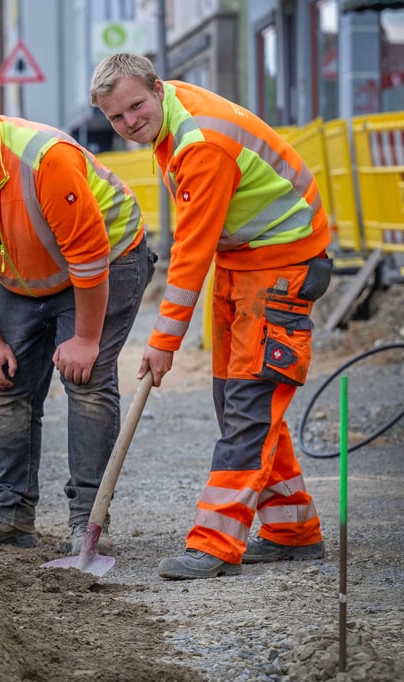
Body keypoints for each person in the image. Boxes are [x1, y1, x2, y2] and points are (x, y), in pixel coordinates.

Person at [90, 53, 331, 580]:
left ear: (156, 88)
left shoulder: (200, 143)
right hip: (245, 259)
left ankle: (215, 544)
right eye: (117, 118)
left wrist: (164, 342)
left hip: (282, 264)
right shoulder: (168, 122)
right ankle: (292, 531)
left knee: (248, 401)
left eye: (135, 106)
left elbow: (190, 256)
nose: (130, 122)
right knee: (240, 397)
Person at [0, 79, 155, 554]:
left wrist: (85, 339)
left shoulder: (45, 159)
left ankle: (89, 526)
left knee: (85, 383)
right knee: (7, 384)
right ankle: (10, 518)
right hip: (23, 272)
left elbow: (88, 256)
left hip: (109, 258)